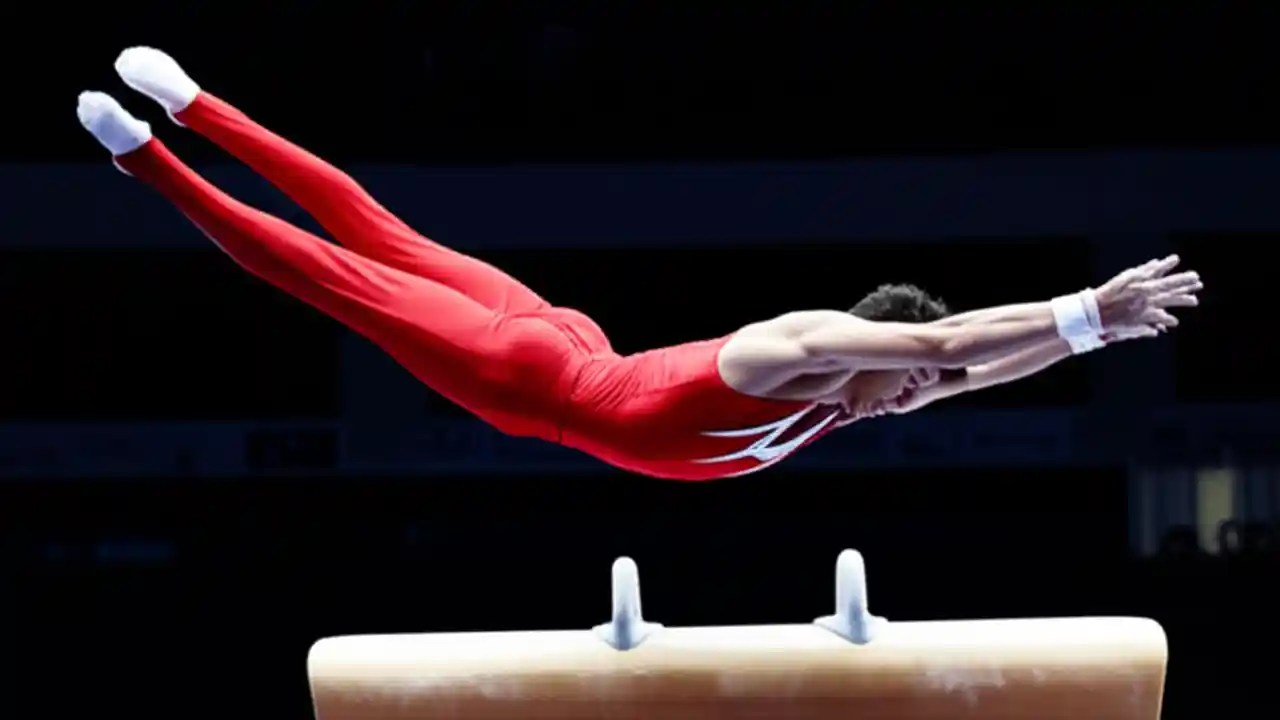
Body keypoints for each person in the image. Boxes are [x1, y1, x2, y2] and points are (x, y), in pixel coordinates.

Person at [75, 47, 1203, 481]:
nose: (920, 397)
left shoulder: (849, 399)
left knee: (382, 237)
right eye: (902, 380)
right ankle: (155, 151)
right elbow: (946, 346)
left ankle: (189, 104)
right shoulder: (798, 350)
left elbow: (969, 368)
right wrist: (1078, 300)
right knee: (338, 273)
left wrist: (1086, 336)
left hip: (570, 344)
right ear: (867, 350)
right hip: (532, 381)